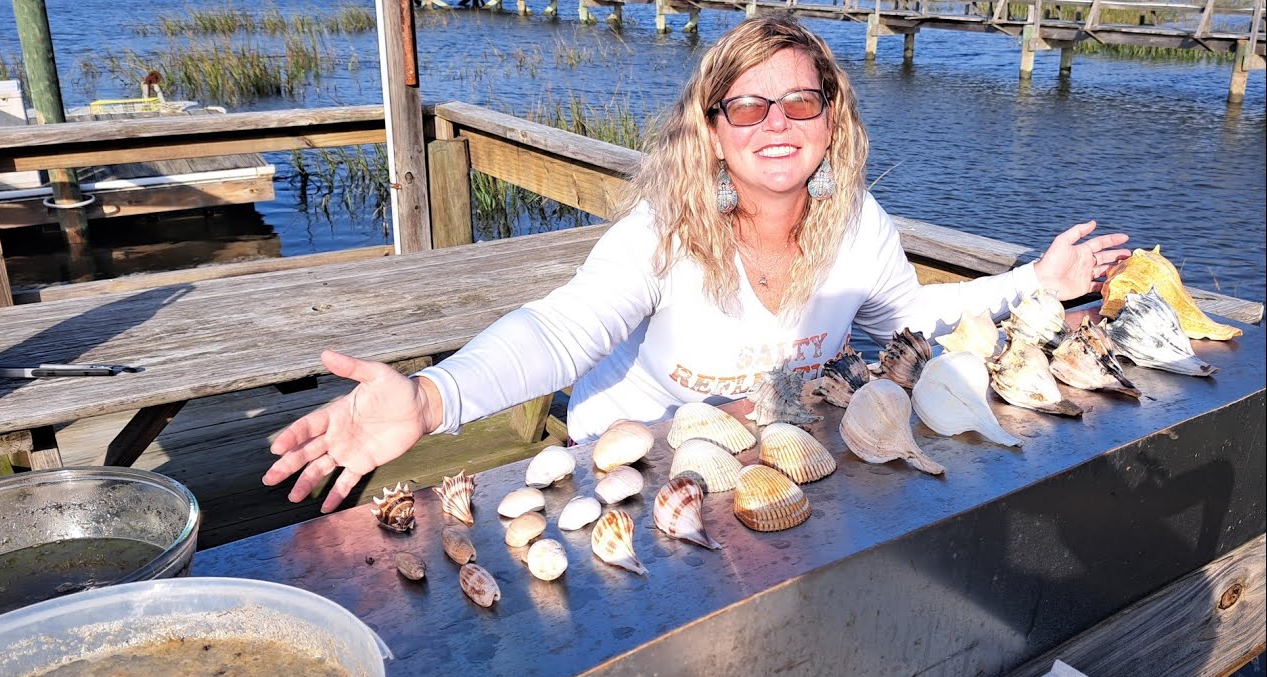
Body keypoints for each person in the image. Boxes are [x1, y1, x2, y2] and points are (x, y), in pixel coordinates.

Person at [262, 14, 1128, 513]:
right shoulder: (666, 227)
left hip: (772, 456)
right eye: (746, 107)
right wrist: (431, 398)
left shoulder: (857, 223)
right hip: (626, 469)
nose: (776, 123)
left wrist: (1036, 285)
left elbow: (909, 324)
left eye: (801, 102)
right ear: (711, 131)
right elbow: (563, 329)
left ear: (832, 120)